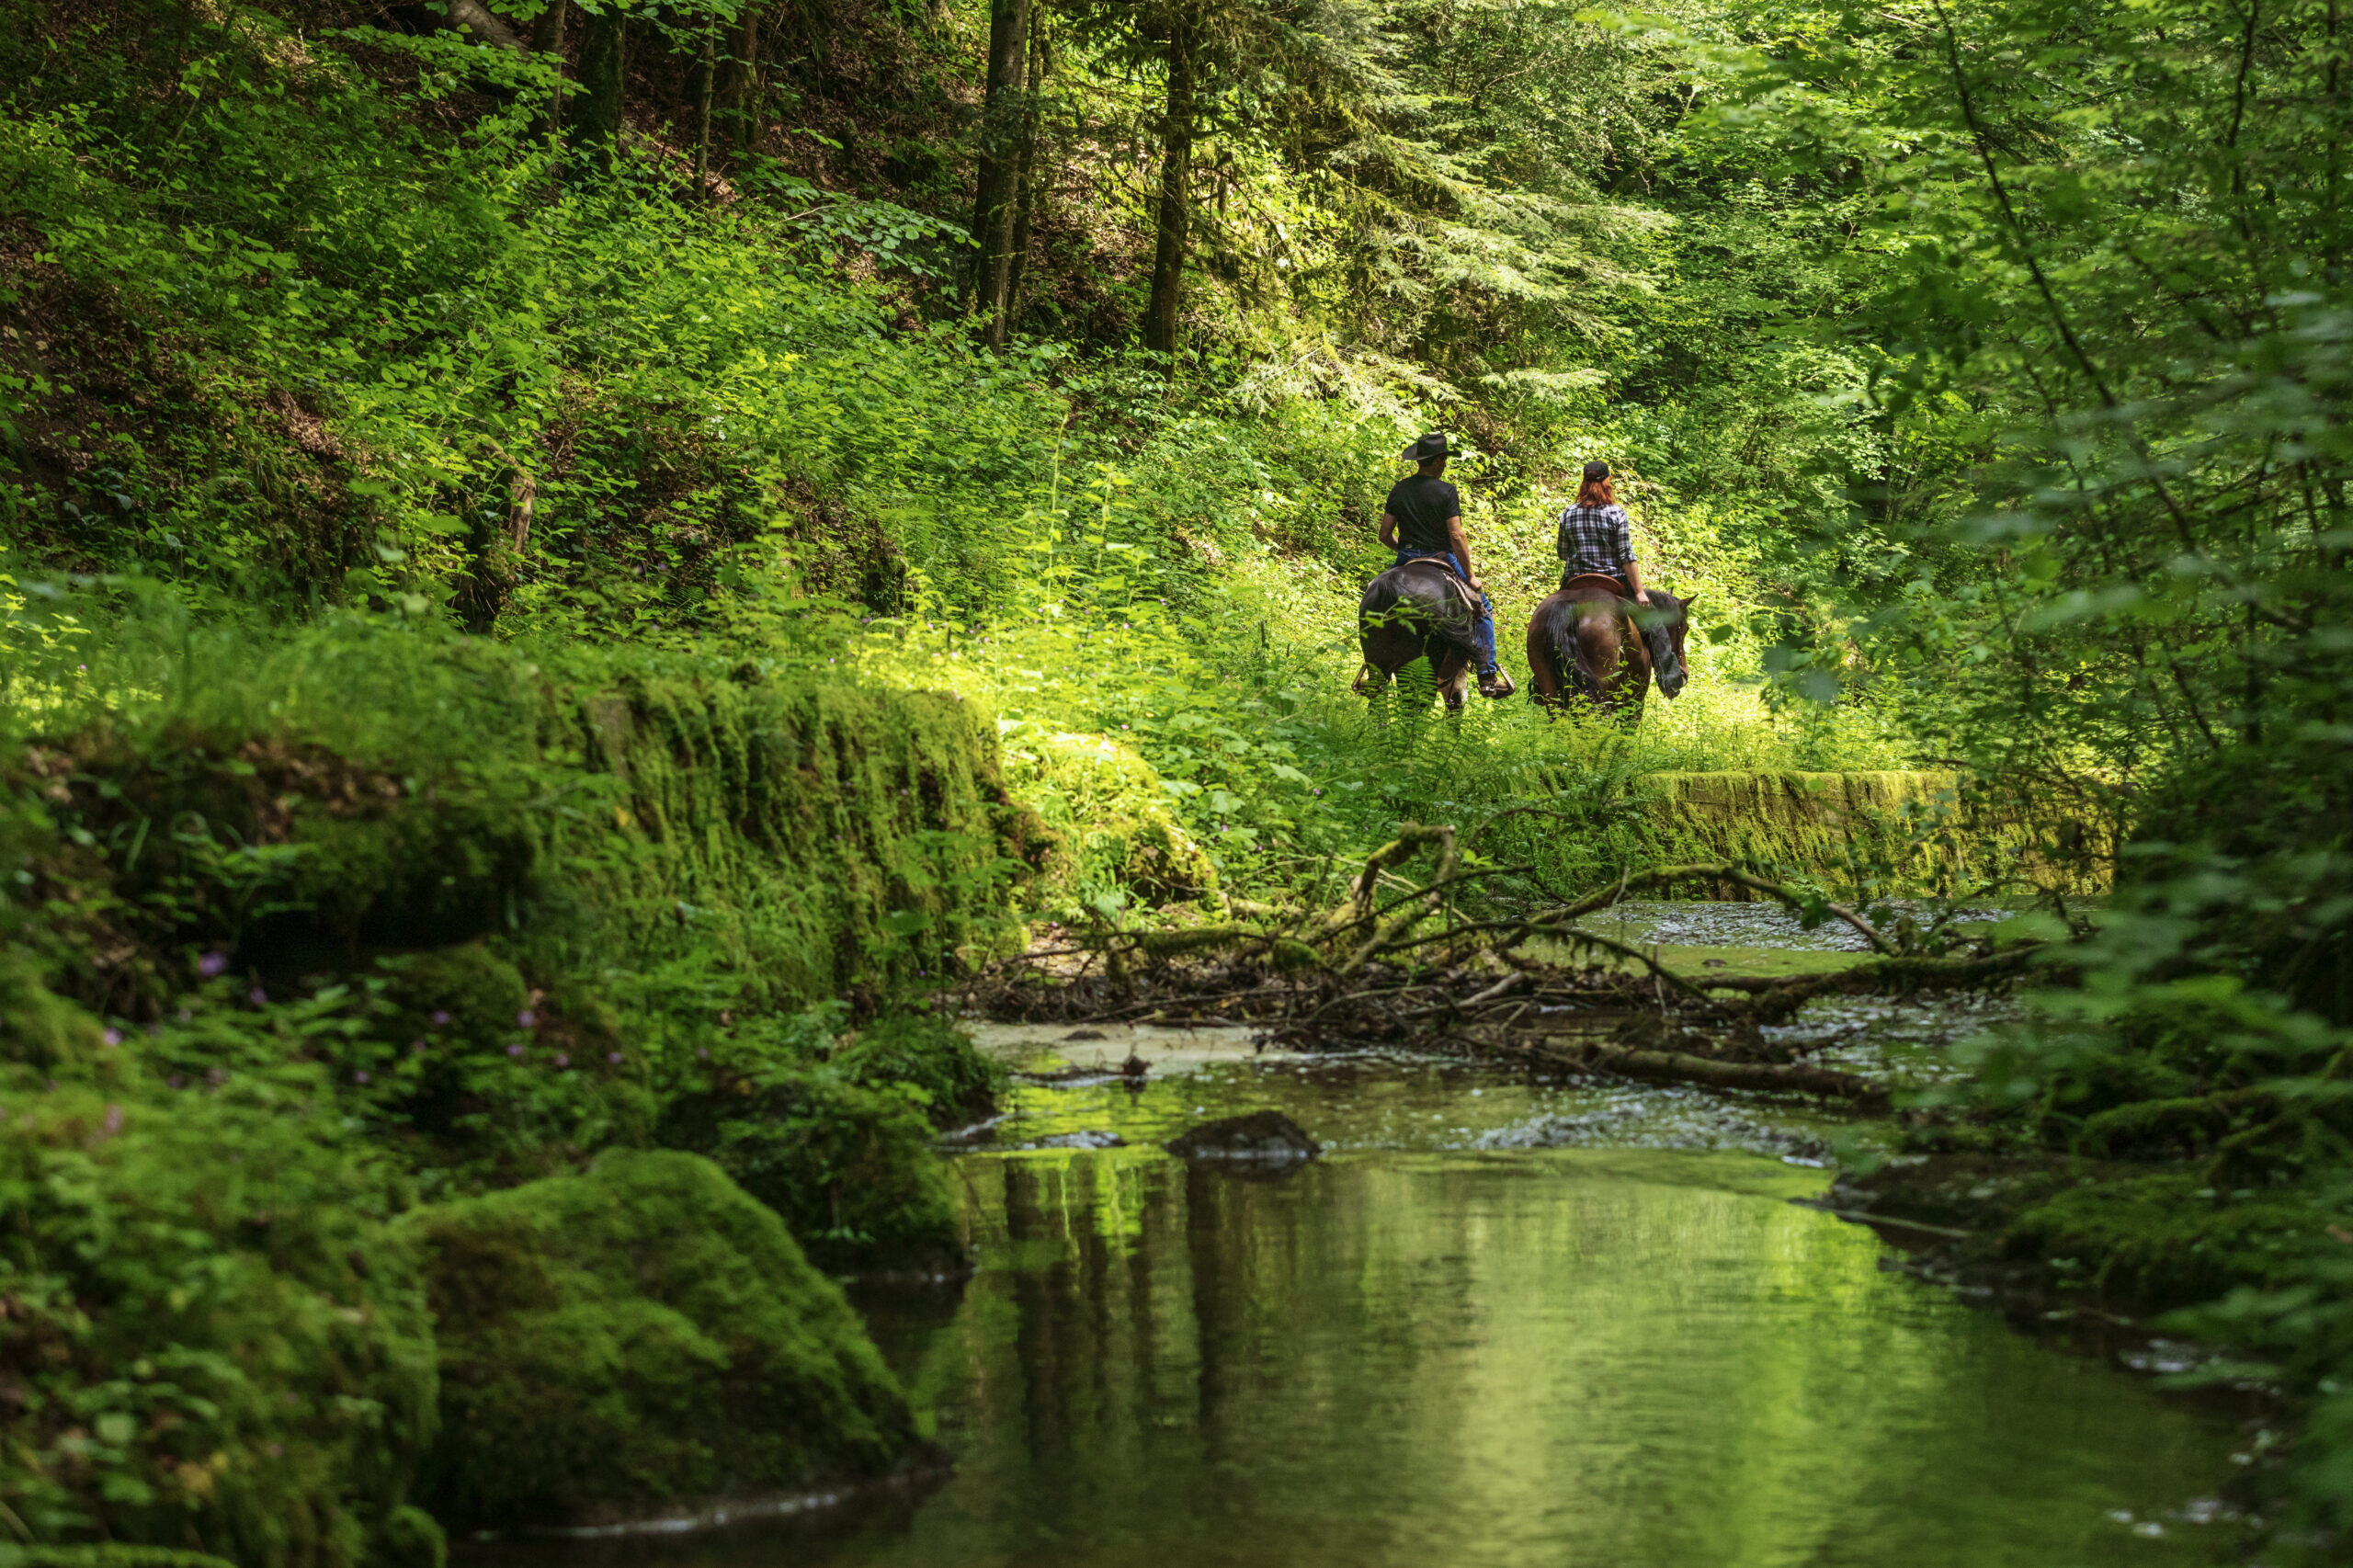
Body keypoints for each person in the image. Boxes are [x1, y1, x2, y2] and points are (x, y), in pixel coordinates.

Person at [1379, 432, 1514, 699]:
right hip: (1441, 558)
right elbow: (1456, 535)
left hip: (1406, 558)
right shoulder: (1446, 491)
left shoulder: (1400, 488)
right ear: (1439, 460)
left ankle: (1373, 671)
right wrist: (1471, 576)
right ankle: (1487, 674)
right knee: (1482, 607)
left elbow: (1384, 534)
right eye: (1444, 459)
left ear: (1420, 461)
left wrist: (1404, 550)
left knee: (1379, 599)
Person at [1555, 460, 1653, 606]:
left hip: (1575, 581)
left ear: (1584, 483)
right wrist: (1639, 592)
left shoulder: (1568, 513)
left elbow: (1562, 553)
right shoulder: (1616, 513)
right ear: (1607, 482)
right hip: (1612, 581)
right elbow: (1625, 555)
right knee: (1649, 624)